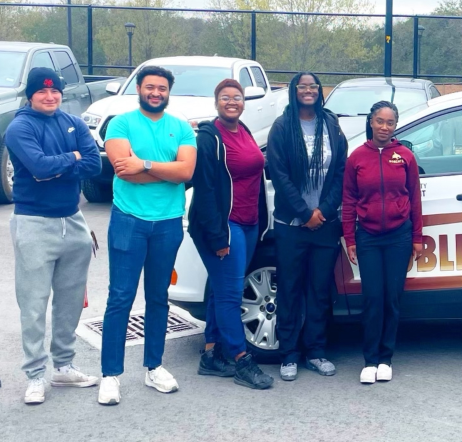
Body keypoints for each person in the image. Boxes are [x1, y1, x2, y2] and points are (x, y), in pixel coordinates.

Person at [97, 66, 197, 405]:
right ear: (139, 88)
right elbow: (124, 171)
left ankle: (154, 366)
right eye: (150, 87)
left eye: (162, 88)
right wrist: (165, 173)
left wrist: (147, 165)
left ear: (169, 92)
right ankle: (110, 375)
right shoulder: (121, 123)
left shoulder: (181, 127)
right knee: (120, 298)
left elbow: (187, 171)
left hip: (168, 223)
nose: (156, 93)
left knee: (158, 297)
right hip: (129, 221)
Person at [4, 68, 104, 405]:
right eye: (42, 92)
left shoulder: (71, 122)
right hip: (34, 222)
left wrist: (62, 163)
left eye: (55, 91)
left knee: (70, 300)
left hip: (73, 219)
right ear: (30, 95)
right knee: (33, 304)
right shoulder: (20, 127)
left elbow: (94, 164)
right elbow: (39, 167)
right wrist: (72, 158)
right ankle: (35, 375)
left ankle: (63, 366)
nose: (50, 96)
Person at [188, 78, 274, 390]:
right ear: (216, 102)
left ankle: (211, 355)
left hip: (250, 223)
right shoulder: (209, 138)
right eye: (225, 98)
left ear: (243, 102)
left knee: (221, 290)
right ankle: (241, 360)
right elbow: (207, 190)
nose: (231, 102)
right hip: (226, 226)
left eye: (236, 97)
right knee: (228, 294)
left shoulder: (245, 131)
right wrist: (218, 238)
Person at [266, 72, 348, 382]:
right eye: (303, 86)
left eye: (313, 86)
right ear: (293, 91)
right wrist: (304, 213)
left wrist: (323, 211)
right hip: (291, 224)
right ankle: (289, 354)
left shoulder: (331, 123)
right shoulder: (282, 126)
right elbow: (279, 172)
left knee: (319, 290)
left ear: (320, 91)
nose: (308, 91)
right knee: (289, 289)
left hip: (325, 223)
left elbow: (340, 170)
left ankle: (316, 351)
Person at [342, 101, 423, 385]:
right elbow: (349, 200)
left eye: (390, 122)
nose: (384, 127)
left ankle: (386, 359)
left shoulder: (405, 156)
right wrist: (350, 238)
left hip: (399, 236)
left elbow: (415, 198)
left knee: (392, 298)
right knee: (372, 298)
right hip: (368, 237)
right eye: (379, 121)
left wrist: (417, 238)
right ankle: (369, 360)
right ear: (371, 122)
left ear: (395, 125)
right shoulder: (356, 158)